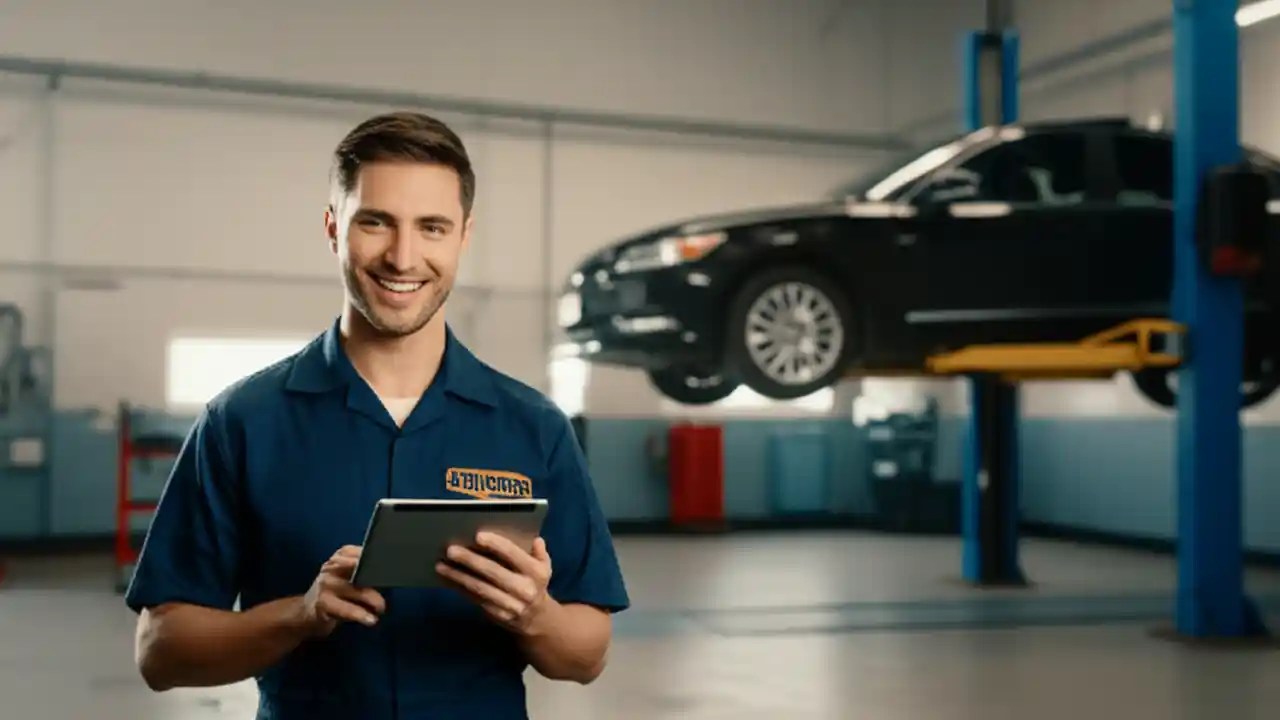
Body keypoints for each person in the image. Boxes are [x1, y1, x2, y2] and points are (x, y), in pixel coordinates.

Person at [125, 111, 630, 719]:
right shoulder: (242, 423)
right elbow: (161, 650)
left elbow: (587, 654)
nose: (403, 256)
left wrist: (534, 615)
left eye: (433, 228)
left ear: (464, 237)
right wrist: (301, 614)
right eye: (376, 222)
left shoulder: (534, 427)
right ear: (334, 228)